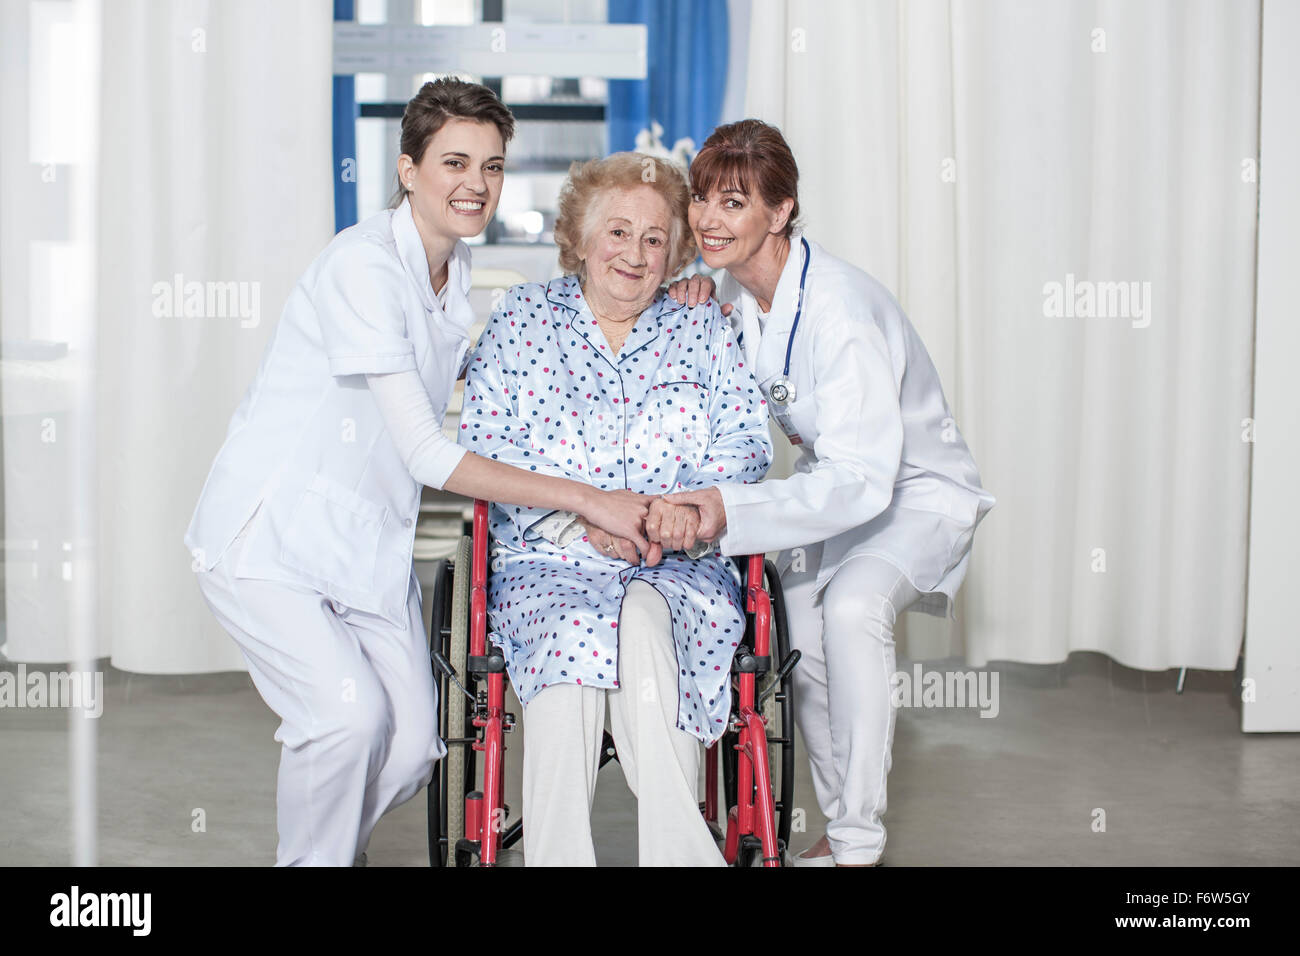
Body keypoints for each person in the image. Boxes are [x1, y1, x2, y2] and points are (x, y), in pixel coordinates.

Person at [183, 79, 652, 867]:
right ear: (408, 170)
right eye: (455, 162)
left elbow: (515, 354)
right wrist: (588, 499)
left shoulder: (455, 272)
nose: (477, 184)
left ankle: (324, 850)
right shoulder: (362, 269)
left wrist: (667, 291)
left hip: (363, 543)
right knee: (344, 720)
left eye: (493, 166)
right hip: (269, 534)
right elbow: (428, 454)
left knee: (408, 752)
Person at [664, 119, 995, 866]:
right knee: (800, 630)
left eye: (734, 203)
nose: (709, 221)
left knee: (852, 608)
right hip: (834, 489)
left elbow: (865, 478)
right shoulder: (731, 289)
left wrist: (730, 509)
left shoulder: (838, 310)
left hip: (914, 495)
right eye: (701, 200)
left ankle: (857, 843)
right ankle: (837, 827)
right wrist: (689, 291)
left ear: (779, 213)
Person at [458, 151, 773, 866]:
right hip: (550, 563)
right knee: (570, 651)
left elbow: (748, 443)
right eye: (619, 232)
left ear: (675, 252)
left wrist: (680, 516)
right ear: (579, 238)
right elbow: (484, 449)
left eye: (655, 238)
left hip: (678, 565)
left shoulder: (703, 326)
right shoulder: (521, 320)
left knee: (645, 621)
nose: (635, 253)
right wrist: (578, 520)